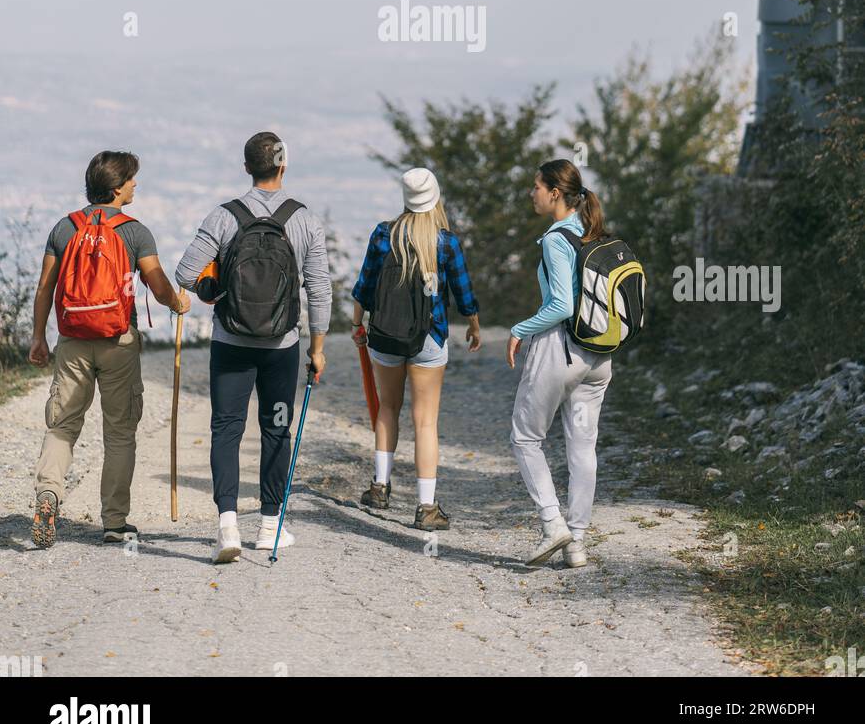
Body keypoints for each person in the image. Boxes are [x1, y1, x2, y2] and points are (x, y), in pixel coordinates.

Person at [176, 131, 331, 564]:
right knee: (276, 427)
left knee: (226, 428)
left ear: (247, 167)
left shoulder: (224, 216)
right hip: (281, 347)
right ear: (283, 166)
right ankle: (268, 526)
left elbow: (186, 271)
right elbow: (320, 289)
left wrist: (214, 289)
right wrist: (317, 347)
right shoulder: (304, 220)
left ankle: (227, 524)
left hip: (231, 343)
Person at [28, 151, 190, 549]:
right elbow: (155, 282)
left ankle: (49, 494)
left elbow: (45, 289)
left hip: (73, 341)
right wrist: (177, 303)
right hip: (118, 341)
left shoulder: (64, 229)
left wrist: (37, 337)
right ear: (117, 188)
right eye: (132, 180)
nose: (136, 185)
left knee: (63, 424)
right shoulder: (135, 232)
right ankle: (114, 523)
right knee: (119, 433)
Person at [351, 168, 480, 531]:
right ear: (435, 197)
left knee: (387, 407)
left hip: (385, 336)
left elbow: (364, 284)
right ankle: (426, 508)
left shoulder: (383, 234)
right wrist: (473, 325)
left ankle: (379, 487)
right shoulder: (444, 242)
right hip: (429, 337)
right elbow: (463, 291)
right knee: (425, 420)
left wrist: (357, 323)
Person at [508, 160, 612, 569]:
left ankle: (553, 525)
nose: (531, 193)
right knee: (582, 445)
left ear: (554, 193)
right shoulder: (592, 235)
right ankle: (578, 543)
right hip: (598, 357)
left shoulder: (555, 239)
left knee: (524, 437)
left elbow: (561, 305)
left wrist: (519, 328)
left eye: (535, 187)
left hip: (561, 351)